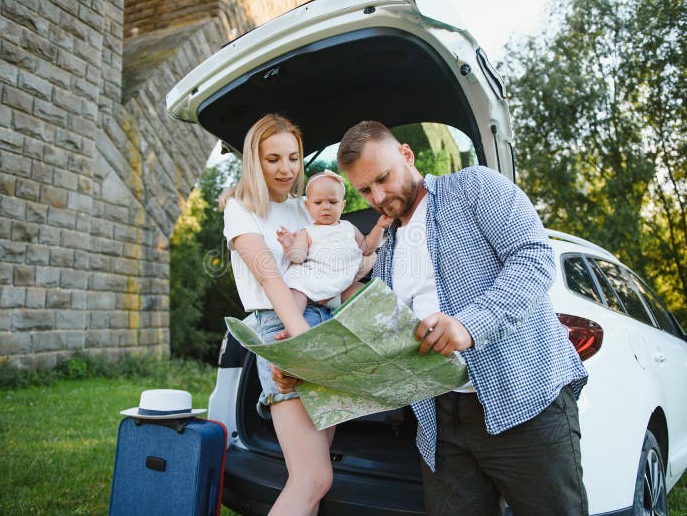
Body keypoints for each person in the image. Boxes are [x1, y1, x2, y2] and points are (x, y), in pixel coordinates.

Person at [333, 120, 590, 516]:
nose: (379, 196)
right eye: (365, 190)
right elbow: (382, 344)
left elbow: (534, 258)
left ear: (406, 153)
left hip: (525, 404)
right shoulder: (386, 251)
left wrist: (470, 324)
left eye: (383, 178)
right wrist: (305, 372)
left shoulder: (474, 187)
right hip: (442, 423)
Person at [220, 113, 335, 515]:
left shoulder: (304, 209)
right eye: (273, 159)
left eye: (293, 157)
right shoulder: (240, 208)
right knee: (312, 477)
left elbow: (329, 262)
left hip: (323, 323)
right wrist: (301, 335)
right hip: (283, 327)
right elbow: (270, 279)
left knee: (315, 479)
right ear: (255, 160)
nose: (286, 169)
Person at [277, 169, 390, 314]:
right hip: (313, 283)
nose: (326, 207)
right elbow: (298, 257)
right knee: (296, 291)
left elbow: (367, 248)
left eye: (332, 202)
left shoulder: (348, 227)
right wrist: (289, 246)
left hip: (342, 285)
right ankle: (292, 324)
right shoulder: (307, 232)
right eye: (318, 202)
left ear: (342, 205)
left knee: (368, 294)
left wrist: (379, 227)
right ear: (308, 205)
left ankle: (384, 316)